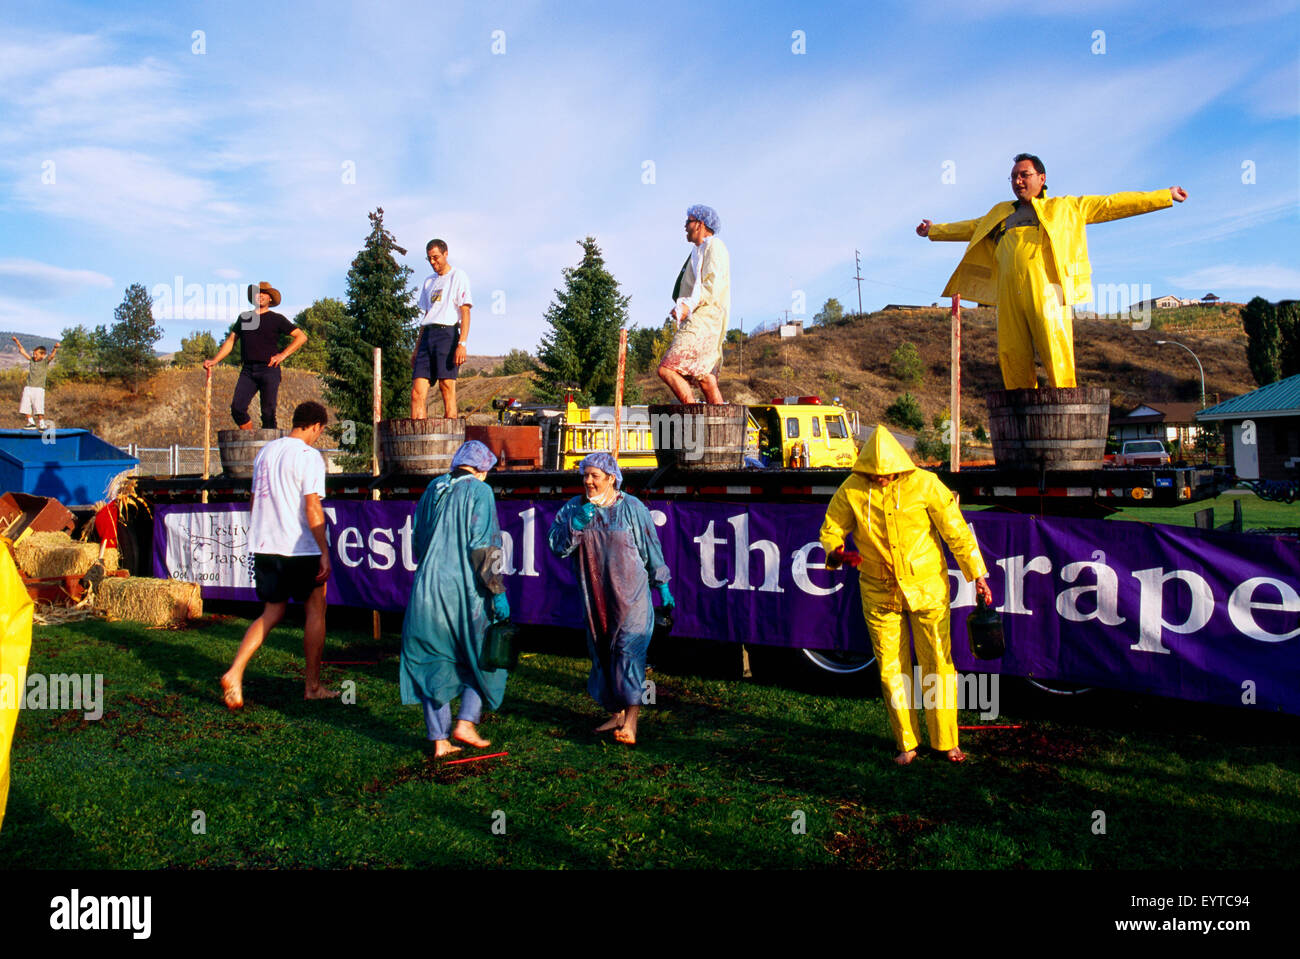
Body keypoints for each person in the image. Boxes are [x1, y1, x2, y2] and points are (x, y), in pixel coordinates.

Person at [917, 153, 1188, 390]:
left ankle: (1064, 400)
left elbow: (1111, 204)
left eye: (1024, 175)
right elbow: (970, 227)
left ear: (1042, 178)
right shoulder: (999, 213)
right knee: (1011, 353)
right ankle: (1019, 407)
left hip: (1048, 292)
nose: (1018, 181)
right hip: (1008, 294)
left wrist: (1164, 195)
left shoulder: (1066, 207)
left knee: (1055, 349)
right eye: (1013, 177)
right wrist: (934, 230)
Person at [819, 426, 993, 766]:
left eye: (888, 475)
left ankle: (946, 742)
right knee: (891, 669)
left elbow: (955, 531)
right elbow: (831, 528)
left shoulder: (926, 484)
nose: (882, 480)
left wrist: (978, 575)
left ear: (900, 467)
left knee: (938, 664)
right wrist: (836, 550)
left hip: (927, 588)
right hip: (878, 590)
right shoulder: (851, 489)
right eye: (875, 475)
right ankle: (906, 743)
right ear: (865, 470)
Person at [547, 452, 672, 745]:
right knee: (604, 655)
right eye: (585, 475)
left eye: (595, 476)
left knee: (629, 653)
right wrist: (574, 525)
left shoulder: (632, 508)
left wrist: (662, 584)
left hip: (632, 597)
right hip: (597, 598)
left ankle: (631, 723)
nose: (588, 481)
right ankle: (615, 714)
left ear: (611, 478)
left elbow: (651, 548)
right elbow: (556, 546)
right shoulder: (574, 508)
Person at [220, 401, 337, 709]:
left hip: (264, 544)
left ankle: (236, 671)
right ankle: (312, 685)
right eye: (320, 432)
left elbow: (254, 501)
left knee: (271, 612)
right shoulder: (309, 456)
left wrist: (258, 534)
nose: (318, 437)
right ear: (315, 426)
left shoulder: (265, 453)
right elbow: (313, 507)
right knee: (316, 609)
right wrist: (324, 551)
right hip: (299, 546)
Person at [400, 440, 509, 757]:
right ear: (482, 469)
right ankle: (466, 722)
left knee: (433, 660)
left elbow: (419, 538)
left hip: (426, 588)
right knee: (484, 654)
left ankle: (439, 740)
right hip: (465, 590)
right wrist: (496, 590)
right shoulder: (480, 491)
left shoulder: (434, 487)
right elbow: (483, 546)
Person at [204, 281, 307, 430]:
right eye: (257, 293)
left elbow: (301, 337)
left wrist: (282, 355)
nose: (260, 295)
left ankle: (270, 448)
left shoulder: (277, 319)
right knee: (237, 408)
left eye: (264, 293)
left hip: (269, 369)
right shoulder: (245, 318)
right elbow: (231, 341)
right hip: (248, 371)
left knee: (268, 413)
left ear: (270, 298)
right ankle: (252, 441)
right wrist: (215, 360)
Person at [658, 204, 730, 405]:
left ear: (700, 224)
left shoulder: (715, 247)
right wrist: (682, 305)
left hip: (705, 317)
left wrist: (688, 306)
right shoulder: (696, 253)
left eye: (688, 222)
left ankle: (692, 415)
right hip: (704, 317)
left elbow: (710, 285)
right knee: (706, 379)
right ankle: (720, 430)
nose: (685, 226)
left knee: (667, 369)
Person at [411, 239, 472, 419]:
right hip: (427, 335)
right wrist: (416, 348)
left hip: (447, 334)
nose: (432, 262)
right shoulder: (428, 282)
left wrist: (462, 343)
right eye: (429, 259)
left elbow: (465, 311)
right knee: (417, 392)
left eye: (436, 257)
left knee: (446, 387)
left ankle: (451, 440)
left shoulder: (457, 276)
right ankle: (418, 441)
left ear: (445, 254)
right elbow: (426, 315)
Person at [12, 337, 59, 429]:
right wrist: (17, 341)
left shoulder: (45, 362)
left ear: (42, 355)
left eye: (36, 354)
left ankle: (42, 424)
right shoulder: (32, 361)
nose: (34, 356)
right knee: (25, 405)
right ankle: (31, 423)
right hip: (28, 387)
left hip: (38, 388)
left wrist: (55, 348)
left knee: (38, 406)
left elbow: (52, 356)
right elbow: (22, 351)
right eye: (33, 354)